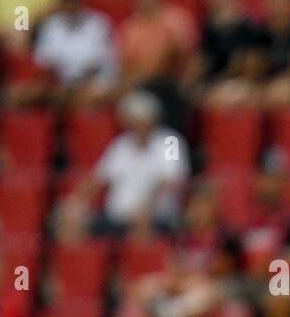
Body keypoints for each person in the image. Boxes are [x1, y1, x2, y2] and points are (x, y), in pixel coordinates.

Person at [52, 91, 190, 241]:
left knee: (142, 219)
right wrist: (75, 201)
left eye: (140, 121)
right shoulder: (122, 143)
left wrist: (147, 203)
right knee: (72, 216)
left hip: (157, 213)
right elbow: (97, 179)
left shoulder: (171, 141)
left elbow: (174, 180)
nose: (136, 126)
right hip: (117, 215)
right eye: (132, 121)